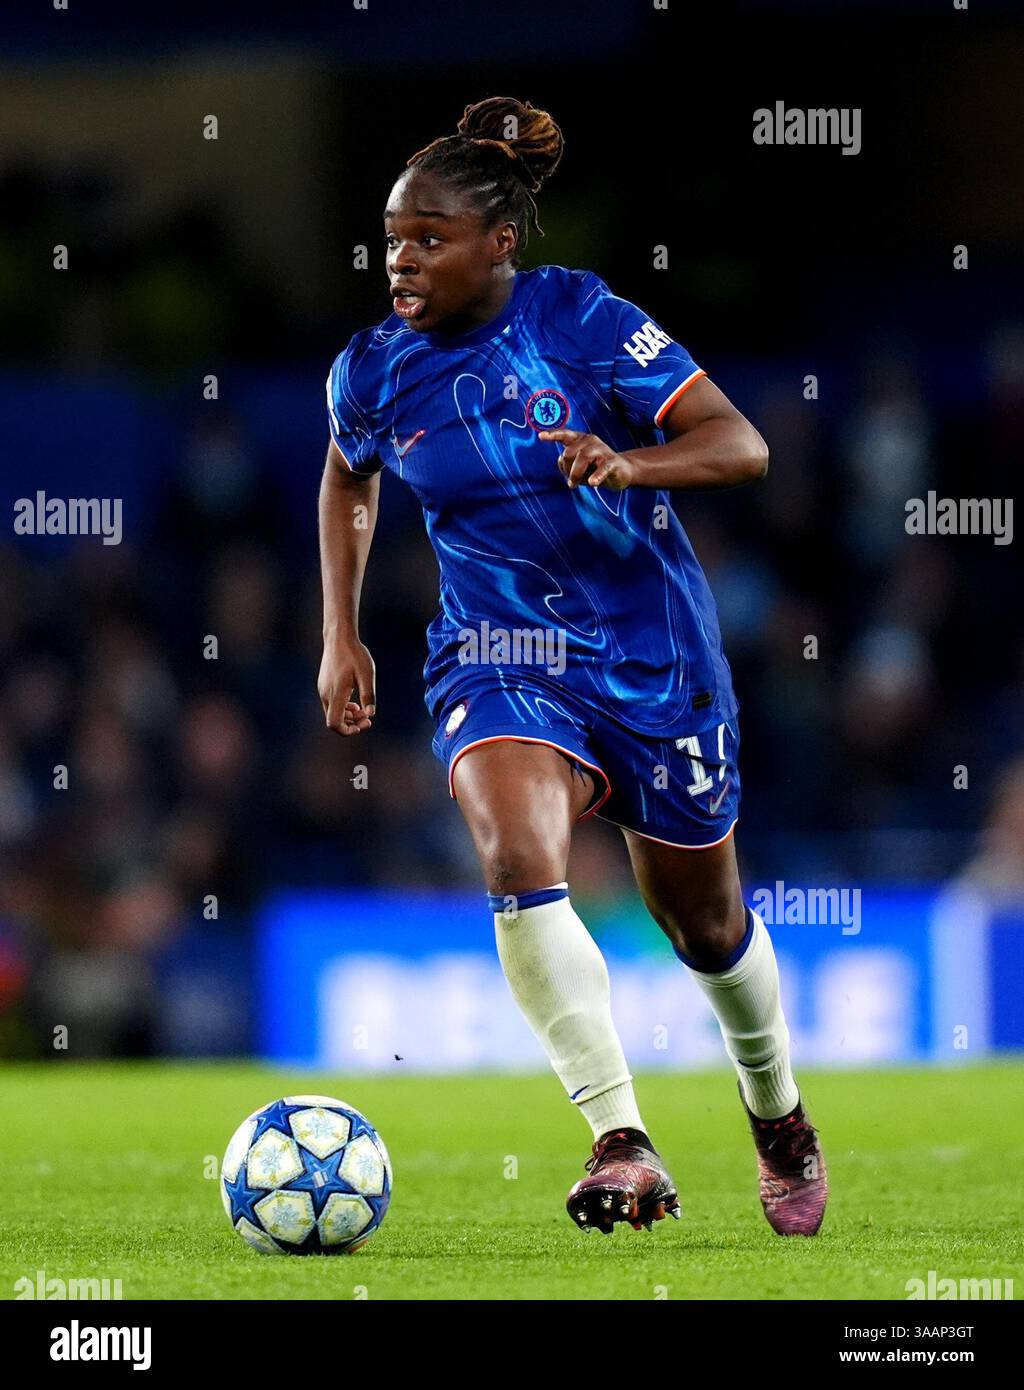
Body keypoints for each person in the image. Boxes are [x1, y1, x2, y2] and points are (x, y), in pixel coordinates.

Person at [319, 96, 826, 1236]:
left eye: (429, 238)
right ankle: (621, 1139)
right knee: (513, 853)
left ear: (499, 243)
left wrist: (630, 461)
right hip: (496, 651)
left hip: (651, 653)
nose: (401, 260)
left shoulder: (582, 317)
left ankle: (776, 1108)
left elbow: (739, 445)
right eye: (393, 238)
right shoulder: (372, 369)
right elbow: (347, 475)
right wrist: (340, 629)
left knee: (703, 922)